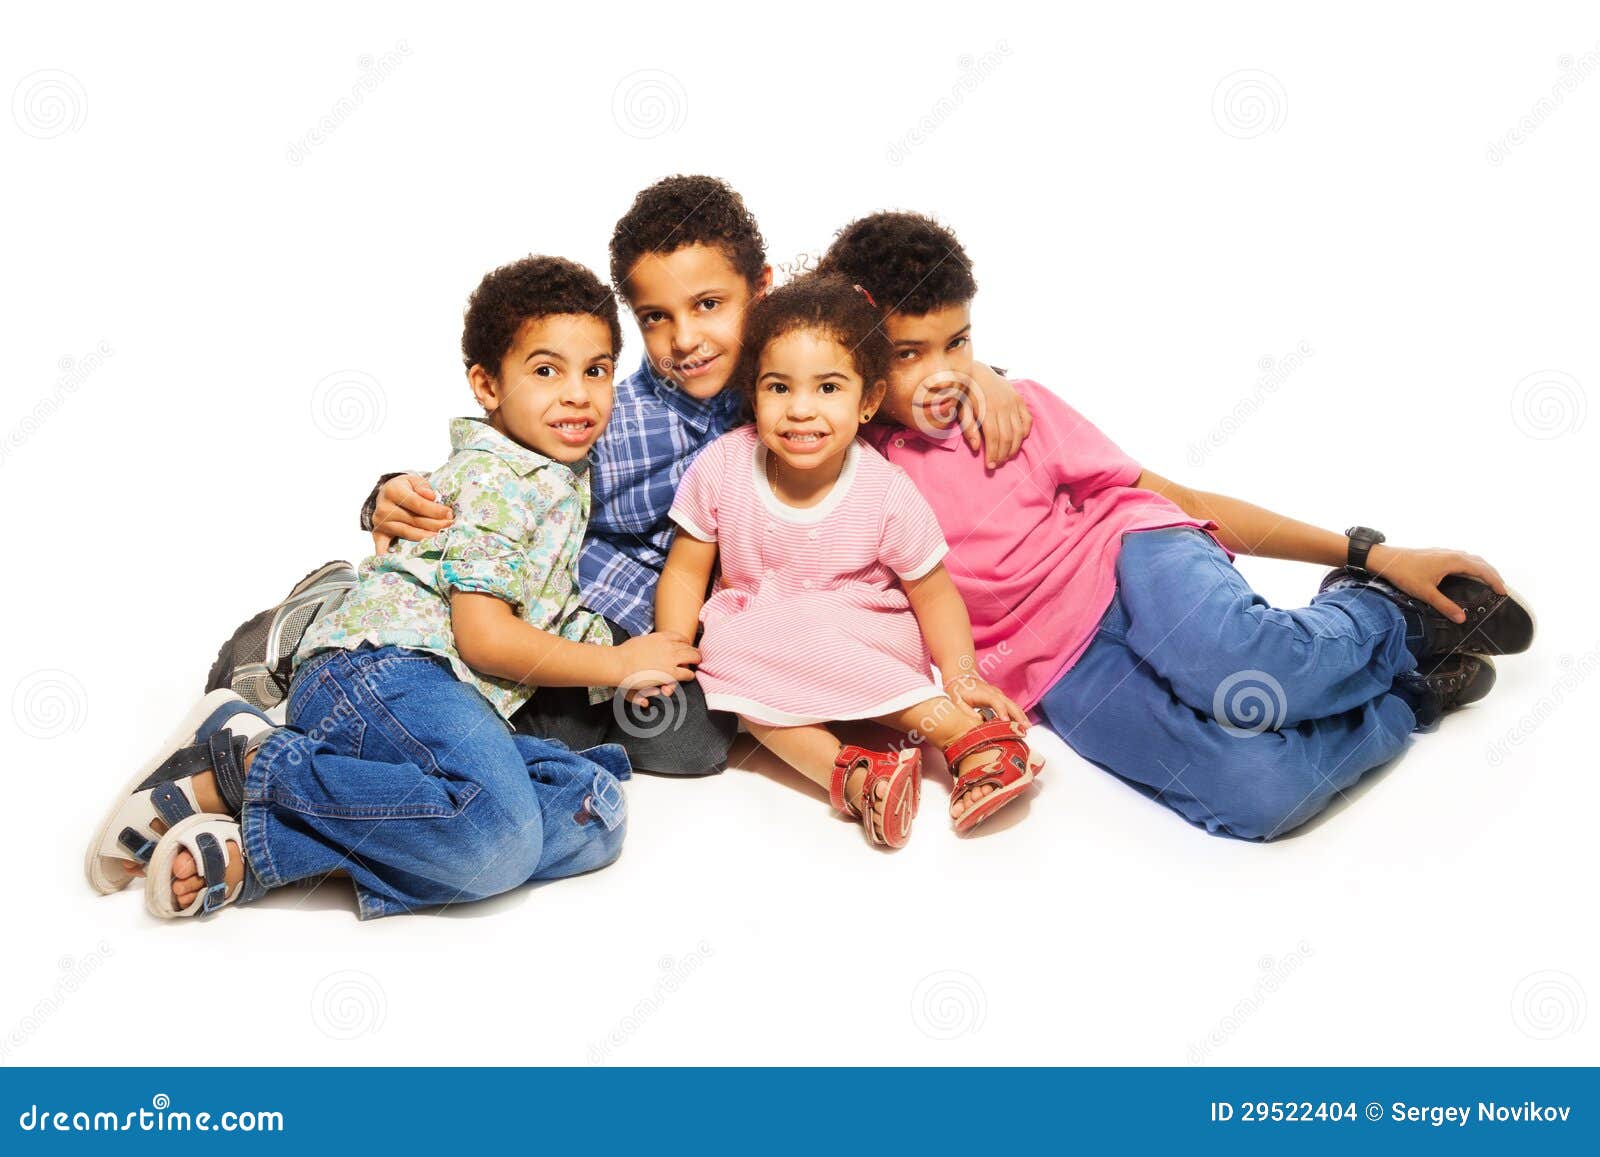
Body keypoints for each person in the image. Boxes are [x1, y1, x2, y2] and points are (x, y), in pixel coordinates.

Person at [817, 212, 1536, 840]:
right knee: (1260, 793)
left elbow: (1176, 494)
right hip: (1056, 671)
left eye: (959, 343)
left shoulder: (1010, 409)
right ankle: (1410, 693)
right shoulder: (844, 474)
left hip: (1129, 555)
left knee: (1245, 665)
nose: (943, 374)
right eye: (909, 353)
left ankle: (1386, 615)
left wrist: (1368, 553)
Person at [355, 176, 1034, 776]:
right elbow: (501, 462)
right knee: (688, 735)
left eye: (709, 304)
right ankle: (370, 658)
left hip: (748, 625)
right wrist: (388, 492)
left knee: (709, 729)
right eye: (657, 318)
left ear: (761, 289)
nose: (685, 338)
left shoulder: (799, 392)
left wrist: (978, 372)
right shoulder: (612, 423)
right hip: (608, 619)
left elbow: (870, 338)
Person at [85, 255, 696, 918]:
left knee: (593, 811)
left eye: (596, 370)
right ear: (486, 384)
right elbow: (485, 638)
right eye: (547, 370)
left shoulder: (555, 476)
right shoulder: (501, 480)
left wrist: (627, 663)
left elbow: (546, 601)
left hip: (445, 699)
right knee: (500, 840)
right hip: (386, 672)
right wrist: (618, 663)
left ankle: (257, 851)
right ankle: (246, 764)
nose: (578, 393)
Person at [655, 275, 1044, 847]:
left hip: (860, 636)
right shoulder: (722, 465)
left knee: (752, 646)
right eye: (778, 387)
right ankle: (860, 780)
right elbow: (687, 569)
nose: (801, 410)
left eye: (828, 388)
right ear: (753, 393)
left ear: (867, 402)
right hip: (760, 645)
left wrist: (961, 673)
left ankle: (966, 735)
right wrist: (670, 643)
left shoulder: (885, 490)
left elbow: (934, 593)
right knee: (725, 653)